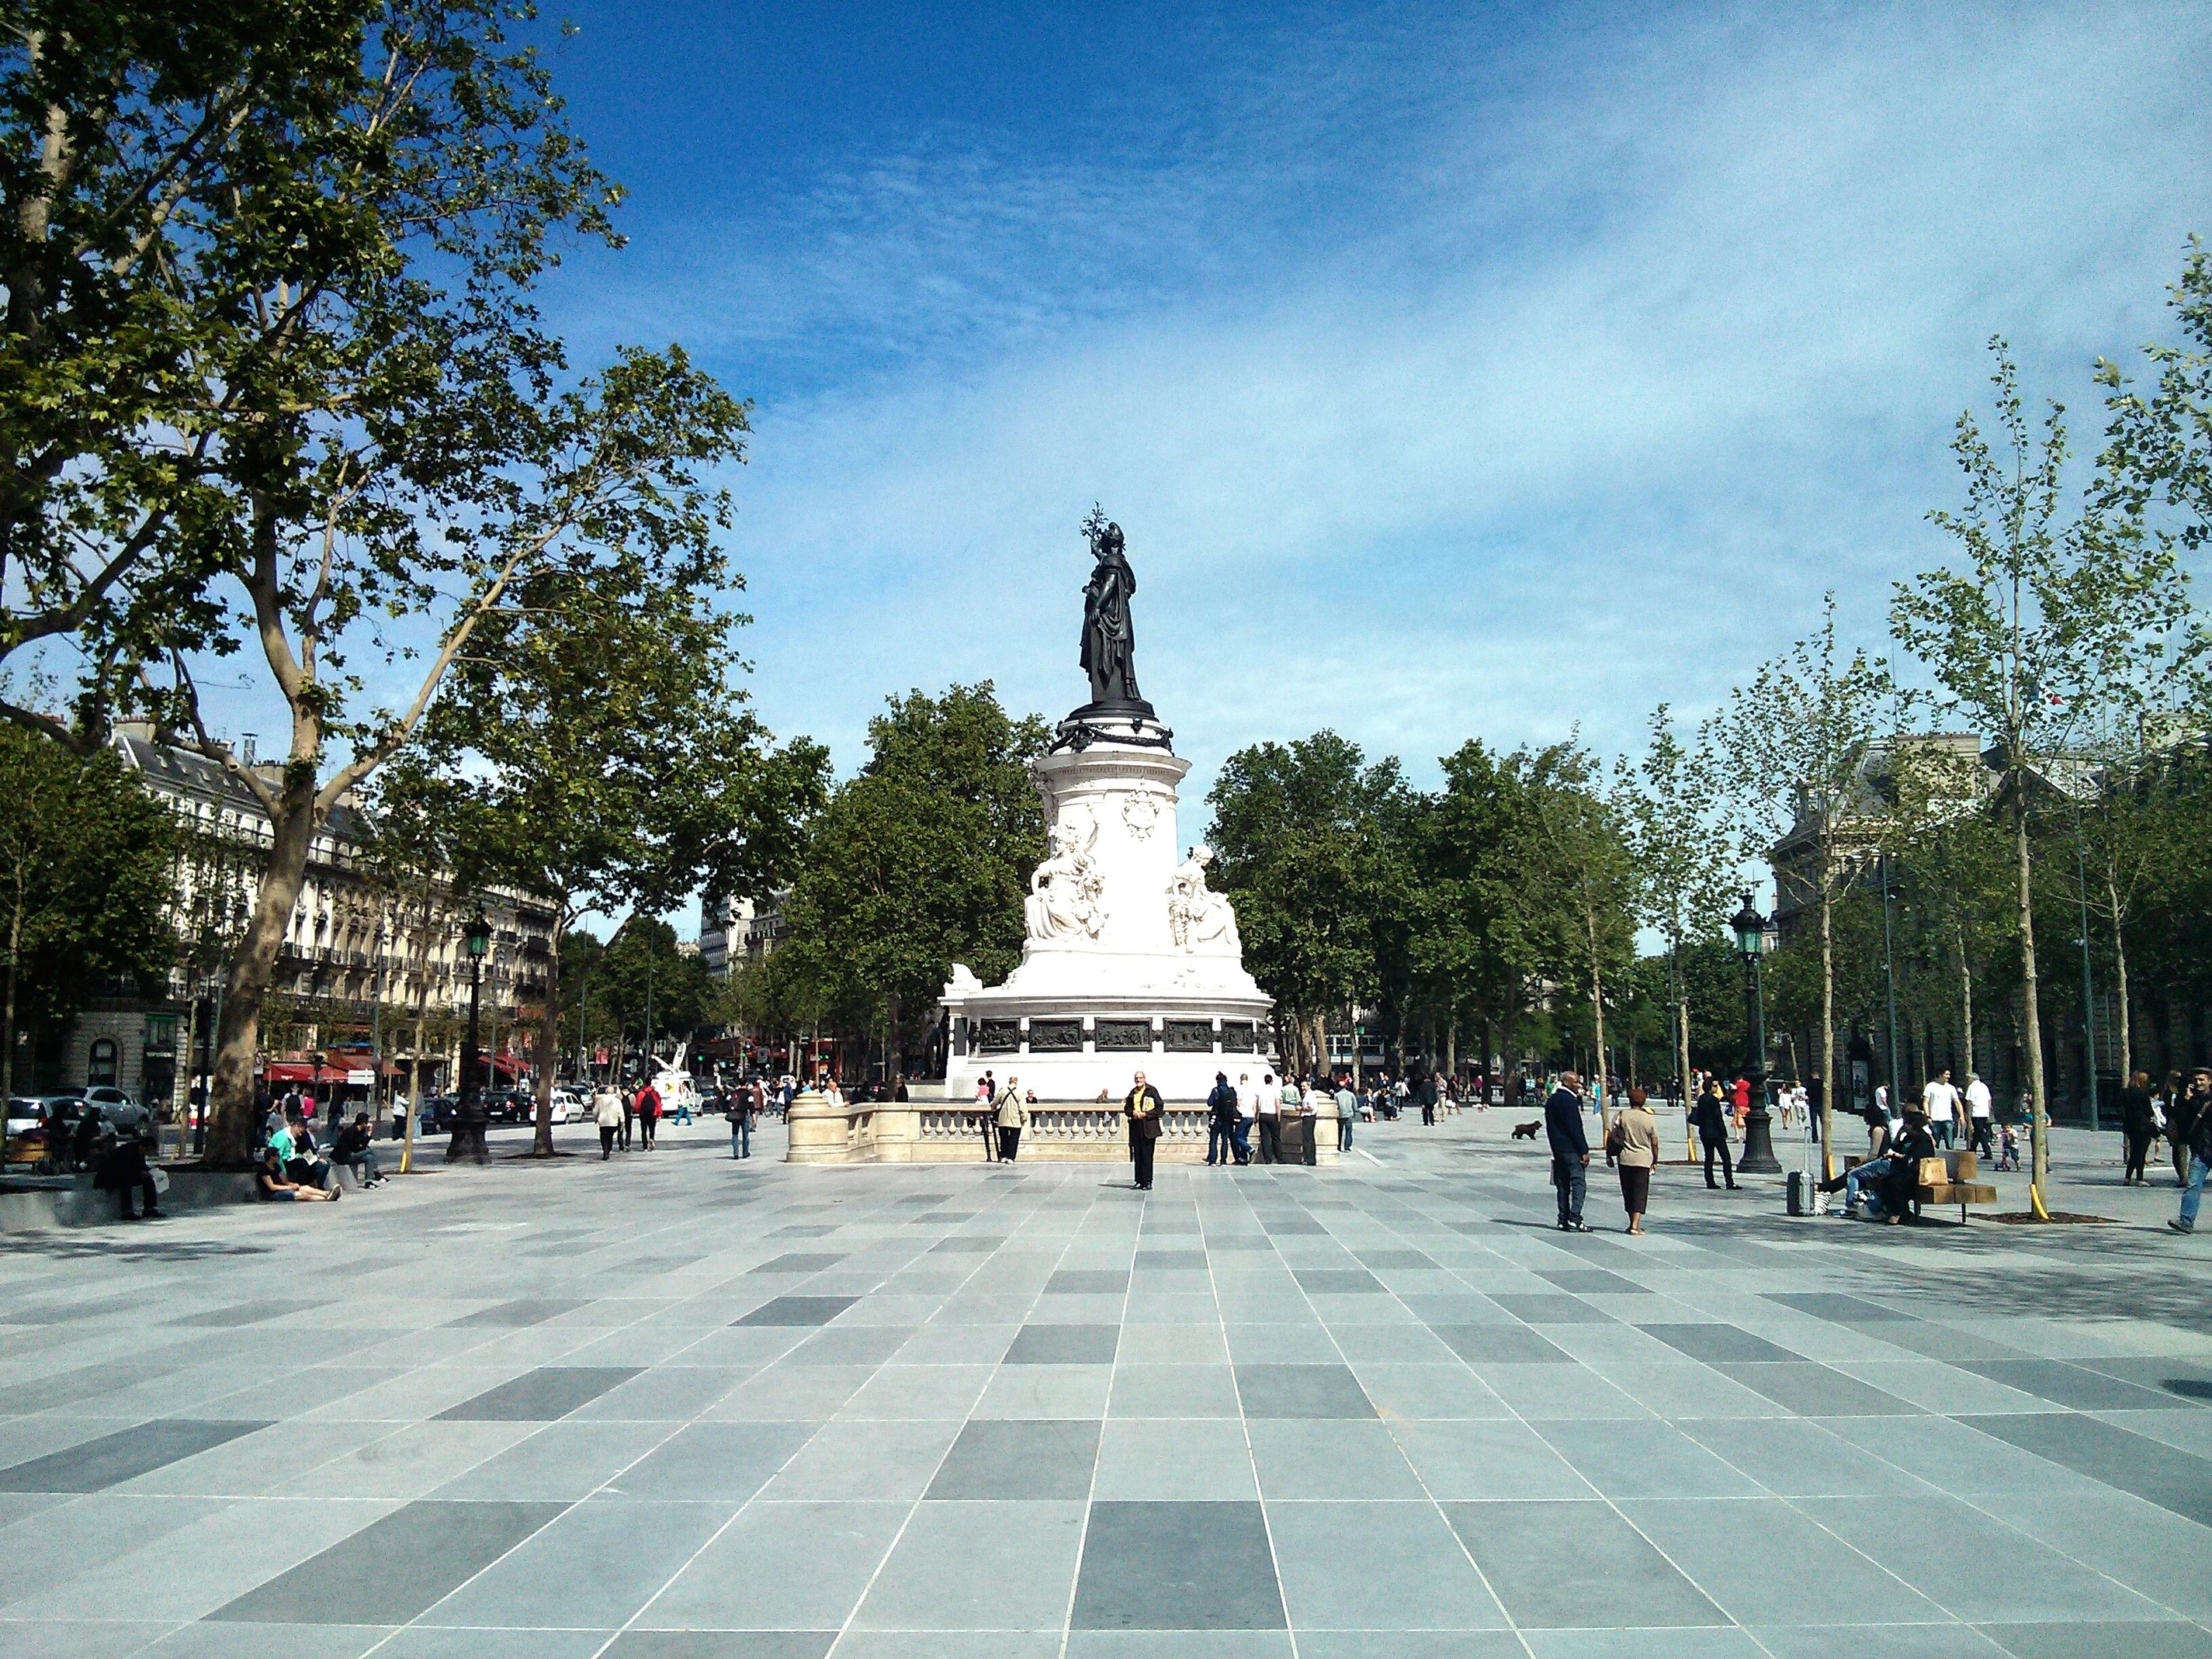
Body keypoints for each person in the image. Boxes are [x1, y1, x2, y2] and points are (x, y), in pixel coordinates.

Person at [96, 1100, 163, 1221]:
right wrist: (138, 1173)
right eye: (149, 1150)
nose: (149, 1154)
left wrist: (148, 1171)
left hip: (126, 1173)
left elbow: (140, 1166)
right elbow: (121, 1168)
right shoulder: (127, 1150)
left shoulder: (140, 1154)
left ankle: (150, 1207)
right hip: (111, 1176)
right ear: (144, 1146)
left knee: (148, 1180)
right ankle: (127, 1210)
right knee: (125, 1181)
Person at [1606, 1086, 1659, 1235]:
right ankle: (1635, 1226)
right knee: (1640, 1192)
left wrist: (1609, 1155)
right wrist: (1655, 1160)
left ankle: (1632, 1223)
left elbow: (1613, 1136)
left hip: (1625, 1158)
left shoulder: (1621, 1115)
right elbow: (1654, 1142)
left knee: (1628, 1191)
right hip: (1643, 1159)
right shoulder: (1648, 1118)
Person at [1545, 1070, 1592, 1232]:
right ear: (1565, 1082)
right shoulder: (1569, 1101)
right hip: (1571, 1149)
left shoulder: (1552, 1100)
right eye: (1575, 1082)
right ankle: (1575, 1217)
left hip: (1557, 1149)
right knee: (1578, 1182)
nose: (1578, 1085)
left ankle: (1562, 1218)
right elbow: (1575, 1128)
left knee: (1562, 1185)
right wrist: (1584, 1150)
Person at [1875, 1110, 1938, 1224]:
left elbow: (1916, 1158)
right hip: (1904, 1169)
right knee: (1885, 1181)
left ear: (1913, 1125)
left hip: (1918, 1172)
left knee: (1896, 1182)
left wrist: (1897, 1156)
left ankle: (1899, 1213)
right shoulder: (1908, 1137)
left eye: (1906, 1124)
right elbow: (1895, 1147)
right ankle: (1901, 1212)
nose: (1904, 1126)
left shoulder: (1923, 1139)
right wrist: (1899, 1135)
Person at [1692, 1078, 1739, 1190]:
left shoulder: (1701, 1099)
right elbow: (1718, 1118)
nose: (1717, 1088)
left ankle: (1710, 1182)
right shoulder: (1713, 1100)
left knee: (1709, 1158)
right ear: (1710, 1087)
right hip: (1715, 1133)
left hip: (1704, 1132)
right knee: (1726, 1158)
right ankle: (1729, 1182)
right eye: (1715, 1086)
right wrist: (1724, 1132)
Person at [255, 1145, 338, 1201]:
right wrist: (289, 1188)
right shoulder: (264, 1169)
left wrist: (292, 1184)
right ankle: (324, 1199)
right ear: (272, 1157)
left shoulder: (276, 1166)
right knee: (301, 1194)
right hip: (272, 1194)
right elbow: (272, 1187)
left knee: (304, 1188)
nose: (279, 1157)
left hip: (282, 1189)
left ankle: (327, 1193)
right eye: (277, 1155)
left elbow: (284, 1181)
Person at [1125, 1070, 1163, 1190]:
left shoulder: (1151, 1091)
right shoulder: (1133, 1092)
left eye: (1140, 1078)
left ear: (1144, 1079)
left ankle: (1147, 1181)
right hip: (1136, 1127)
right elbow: (1127, 1108)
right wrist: (1133, 1112)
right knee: (1138, 1155)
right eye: (1136, 1078)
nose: (1138, 1080)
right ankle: (1138, 1181)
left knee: (1147, 1156)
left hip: (1148, 1127)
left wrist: (1145, 1114)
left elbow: (1159, 1107)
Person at [2120, 1070, 2158, 1185]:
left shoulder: (2126, 1093)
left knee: (2134, 1152)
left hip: (2130, 1126)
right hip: (2143, 1126)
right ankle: (2139, 1177)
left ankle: (2128, 1177)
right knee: (2141, 1152)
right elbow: (2149, 1112)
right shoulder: (2143, 1095)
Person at [332, 1113, 387, 1187]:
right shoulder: (351, 1131)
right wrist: (364, 1149)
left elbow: (363, 1144)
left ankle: (368, 1182)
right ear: (364, 1123)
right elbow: (354, 1147)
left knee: (369, 1157)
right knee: (369, 1151)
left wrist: (369, 1133)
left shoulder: (361, 1131)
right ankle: (376, 1172)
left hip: (353, 1154)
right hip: (345, 1156)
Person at [1205, 1072, 1238, 1166]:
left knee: (1213, 1139)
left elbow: (1209, 1103)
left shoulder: (1216, 1091)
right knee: (1225, 1140)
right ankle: (1223, 1160)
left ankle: (1213, 1160)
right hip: (1227, 1119)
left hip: (1216, 1118)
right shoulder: (1231, 1091)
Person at [1922, 1069, 1961, 1148]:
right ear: (1940, 1075)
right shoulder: (1930, 1086)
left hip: (1948, 1119)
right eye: (1946, 1074)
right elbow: (1926, 1102)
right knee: (1935, 1144)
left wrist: (1962, 1116)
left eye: (1949, 1074)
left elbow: (1957, 1102)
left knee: (1950, 1144)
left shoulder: (1951, 1088)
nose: (1948, 1077)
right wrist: (1928, 1116)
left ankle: (1950, 1160)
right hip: (1935, 1119)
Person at [995, 1075, 1028, 1162]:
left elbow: (995, 1102)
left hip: (1003, 1118)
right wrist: (1024, 1118)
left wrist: (993, 1108)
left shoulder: (1002, 1091)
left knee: (1004, 1139)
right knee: (1014, 1139)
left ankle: (1003, 1156)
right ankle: (1011, 1157)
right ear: (1016, 1082)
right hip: (1015, 1119)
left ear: (1009, 1081)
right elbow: (1023, 1108)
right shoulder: (1020, 1093)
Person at [1256, 1072, 1284, 1164]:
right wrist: (1279, 1117)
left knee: (1265, 1138)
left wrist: (1256, 1116)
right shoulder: (1275, 1090)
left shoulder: (1260, 1090)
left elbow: (1257, 1105)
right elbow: (1277, 1105)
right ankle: (1279, 1157)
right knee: (1276, 1137)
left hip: (1263, 1115)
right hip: (1272, 1115)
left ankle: (1267, 1159)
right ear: (1271, 1081)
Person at [1963, 1072, 1993, 1155]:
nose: (1967, 1080)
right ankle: (1973, 1149)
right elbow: (1989, 1100)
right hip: (1984, 1112)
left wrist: (1967, 1112)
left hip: (1976, 1112)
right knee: (1977, 1132)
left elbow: (1969, 1101)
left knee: (1980, 1132)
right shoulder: (1984, 1086)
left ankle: (1988, 1151)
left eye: (1968, 1079)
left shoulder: (1972, 1087)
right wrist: (1988, 1110)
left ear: (1972, 1079)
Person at [593, 1084, 625, 1159]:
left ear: (606, 1092)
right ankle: (608, 1150)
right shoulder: (617, 1101)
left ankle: (605, 1151)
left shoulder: (601, 1101)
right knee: (610, 1137)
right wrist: (622, 1121)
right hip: (613, 1123)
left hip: (603, 1123)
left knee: (604, 1138)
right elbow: (621, 1112)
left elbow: (595, 1112)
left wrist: (595, 1119)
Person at [1233, 1072, 1258, 1165]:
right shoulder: (1252, 1090)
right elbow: (1255, 1105)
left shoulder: (1240, 1089)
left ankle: (1250, 1150)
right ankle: (1244, 1159)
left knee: (1237, 1137)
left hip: (1243, 1115)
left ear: (1241, 1080)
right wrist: (1255, 1117)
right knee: (1244, 1137)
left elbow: (1238, 1103)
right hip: (1251, 1115)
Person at [729, 1082, 756, 1160]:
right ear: (746, 1084)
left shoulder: (734, 1093)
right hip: (744, 1115)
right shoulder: (748, 1094)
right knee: (745, 1135)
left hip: (735, 1115)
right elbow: (751, 1106)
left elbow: (727, 1100)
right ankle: (745, 1153)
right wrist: (753, 1117)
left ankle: (736, 1153)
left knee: (735, 1134)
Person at [1334, 1074, 1358, 1153]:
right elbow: (1355, 1106)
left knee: (1339, 1131)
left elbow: (1336, 1106)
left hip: (1340, 1115)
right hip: (1348, 1115)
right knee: (1349, 1131)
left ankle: (1338, 1146)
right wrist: (1354, 1112)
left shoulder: (1336, 1095)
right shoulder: (1351, 1095)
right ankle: (1347, 1146)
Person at [636, 1080, 661, 1150]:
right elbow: (659, 1104)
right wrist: (659, 1114)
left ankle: (645, 1146)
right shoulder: (655, 1093)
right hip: (653, 1113)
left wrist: (639, 1112)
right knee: (652, 1129)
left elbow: (637, 1105)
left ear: (644, 1084)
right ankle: (651, 1138)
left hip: (643, 1114)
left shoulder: (641, 1093)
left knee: (643, 1130)